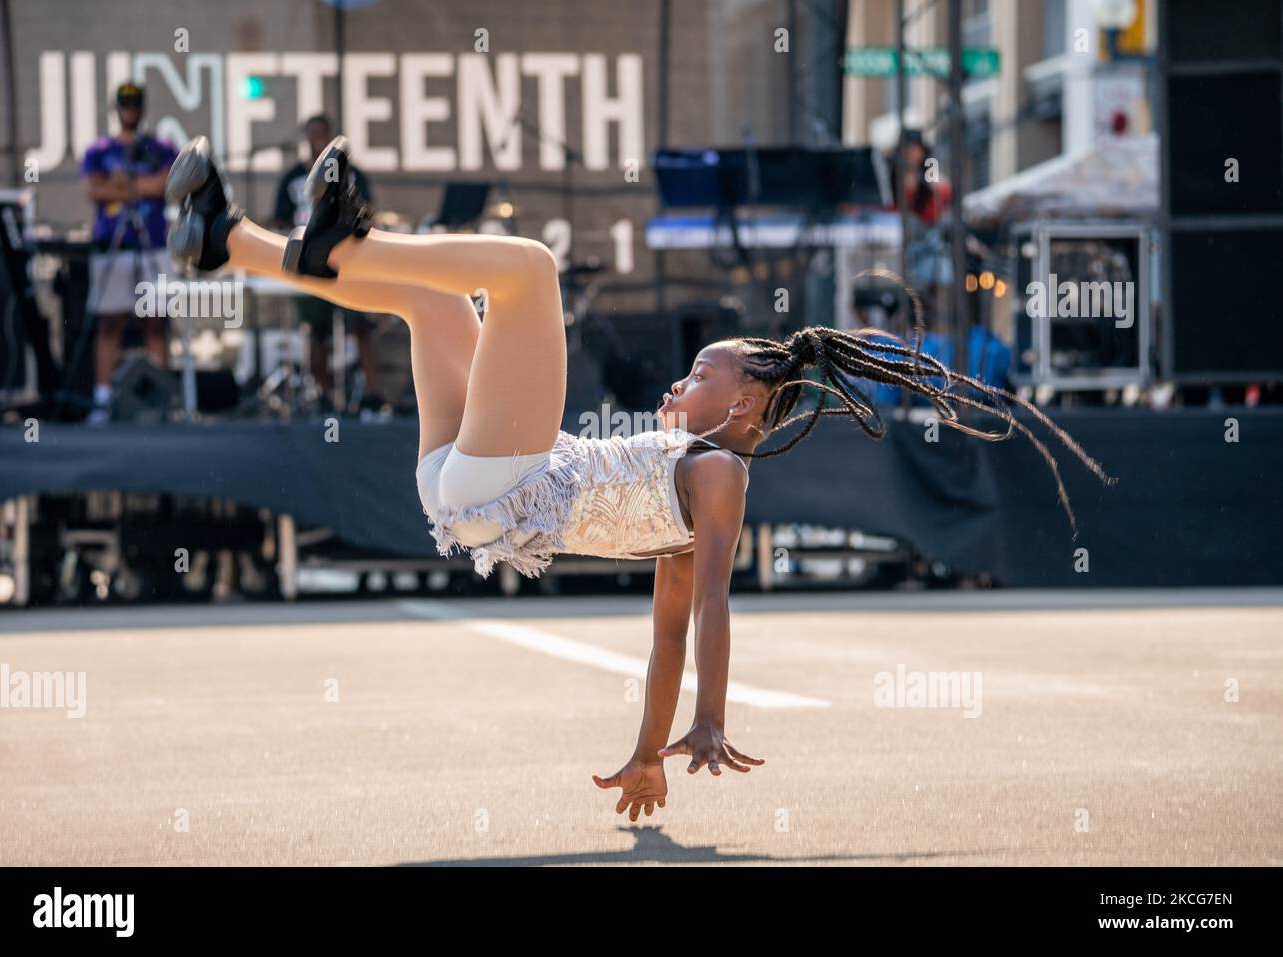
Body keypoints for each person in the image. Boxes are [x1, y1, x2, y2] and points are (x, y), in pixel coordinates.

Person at [166, 135, 1115, 822]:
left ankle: (339, 242)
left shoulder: (715, 473)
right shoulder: (686, 482)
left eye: (703, 373)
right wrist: (648, 750)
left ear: (745, 407)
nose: (679, 379)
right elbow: (661, 633)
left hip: (506, 488)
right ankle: (232, 240)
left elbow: (705, 611)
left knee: (529, 270)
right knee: (436, 301)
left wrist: (708, 719)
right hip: (464, 490)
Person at [80, 82, 178, 424]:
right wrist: (140, 186)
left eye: (135, 104)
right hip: (114, 246)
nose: (130, 110)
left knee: (156, 323)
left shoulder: (161, 147)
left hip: (152, 244)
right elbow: (95, 190)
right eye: (124, 104)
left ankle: (159, 399)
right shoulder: (99, 149)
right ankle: (103, 399)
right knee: (110, 322)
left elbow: (167, 185)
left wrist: (123, 185)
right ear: (116, 108)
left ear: (143, 108)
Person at [271, 114, 381, 407]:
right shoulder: (292, 178)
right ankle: (321, 393)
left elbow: (369, 213)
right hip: (311, 262)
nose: (318, 138)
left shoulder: (352, 174)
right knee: (317, 330)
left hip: (349, 261)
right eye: (313, 133)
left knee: (361, 323)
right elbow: (280, 221)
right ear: (305, 138)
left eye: (323, 132)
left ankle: (373, 392)